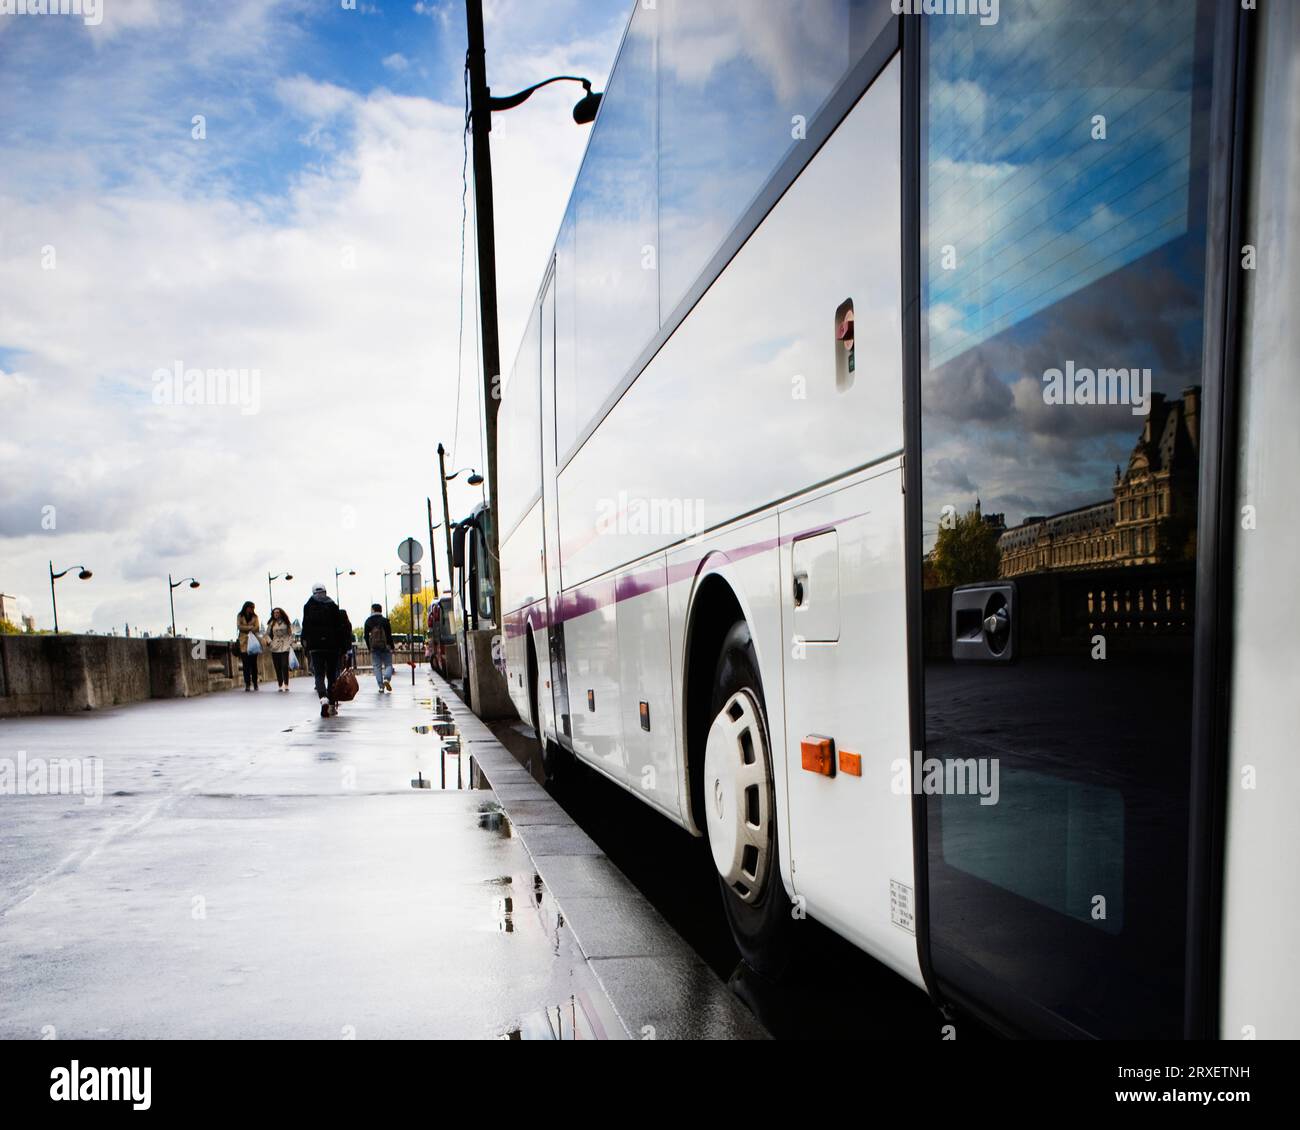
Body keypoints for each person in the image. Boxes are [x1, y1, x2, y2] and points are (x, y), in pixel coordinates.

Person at [302, 583, 344, 717]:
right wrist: (341, 646)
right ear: (325, 591)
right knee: (331, 676)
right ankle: (331, 705)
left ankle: (323, 698)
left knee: (319, 675)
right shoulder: (333, 605)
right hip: (332, 646)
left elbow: (305, 626)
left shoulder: (308, 606)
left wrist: (306, 643)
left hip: (315, 646)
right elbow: (339, 627)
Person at [364, 603, 394, 693]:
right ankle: (387, 679)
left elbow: (366, 636)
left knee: (377, 666)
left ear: (373, 610)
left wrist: (369, 647)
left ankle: (381, 687)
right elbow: (389, 635)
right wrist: (392, 646)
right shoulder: (385, 621)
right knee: (388, 664)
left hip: (374, 648)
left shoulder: (368, 621)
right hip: (385, 646)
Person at [266, 607, 294, 692]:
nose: (276, 614)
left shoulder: (286, 622)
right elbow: (266, 634)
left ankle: (286, 684)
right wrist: (270, 642)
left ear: (281, 613)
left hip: (285, 645)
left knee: (284, 665)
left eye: (277, 612)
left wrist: (289, 643)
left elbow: (290, 634)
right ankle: (280, 684)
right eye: (274, 613)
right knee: (277, 666)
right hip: (275, 646)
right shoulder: (271, 623)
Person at [236, 601, 262, 691]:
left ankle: (255, 683)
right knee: (245, 665)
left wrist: (246, 628)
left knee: (254, 665)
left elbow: (257, 628)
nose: (252, 609)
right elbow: (239, 626)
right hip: (243, 643)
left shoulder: (255, 617)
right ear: (246, 607)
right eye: (251, 608)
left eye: (253, 608)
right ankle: (247, 684)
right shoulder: (240, 616)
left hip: (253, 643)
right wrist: (250, 627)